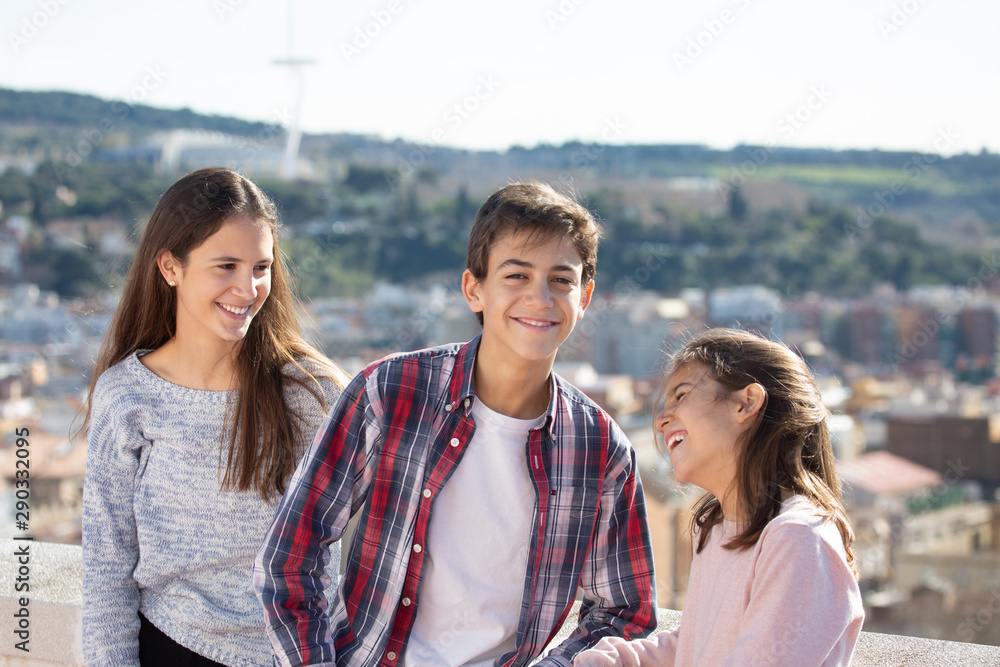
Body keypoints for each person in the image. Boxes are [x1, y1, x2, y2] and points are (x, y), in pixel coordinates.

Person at [254, 182, 657, 667]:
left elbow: (624, 612)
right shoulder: (391, 391)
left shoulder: (600, 448)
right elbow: (291, 554)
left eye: (561, 280)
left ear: (585, 296)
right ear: (474, 289)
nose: (540, 297)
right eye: (516, 275)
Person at [81, 167, 347, 667]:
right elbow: (106, 570)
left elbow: (354, 545)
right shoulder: (127, 396)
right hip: (170, 650)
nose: (247, 288)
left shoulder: (310, 392)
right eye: (226, 266)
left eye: (261, 267)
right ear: (170, 267)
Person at [574, 328, 864, 667]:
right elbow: (696, 647)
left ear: (746, 403)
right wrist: (611, 660)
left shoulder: (798, 538)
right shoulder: (717, 529)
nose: (662, 420)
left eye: (681, 395)